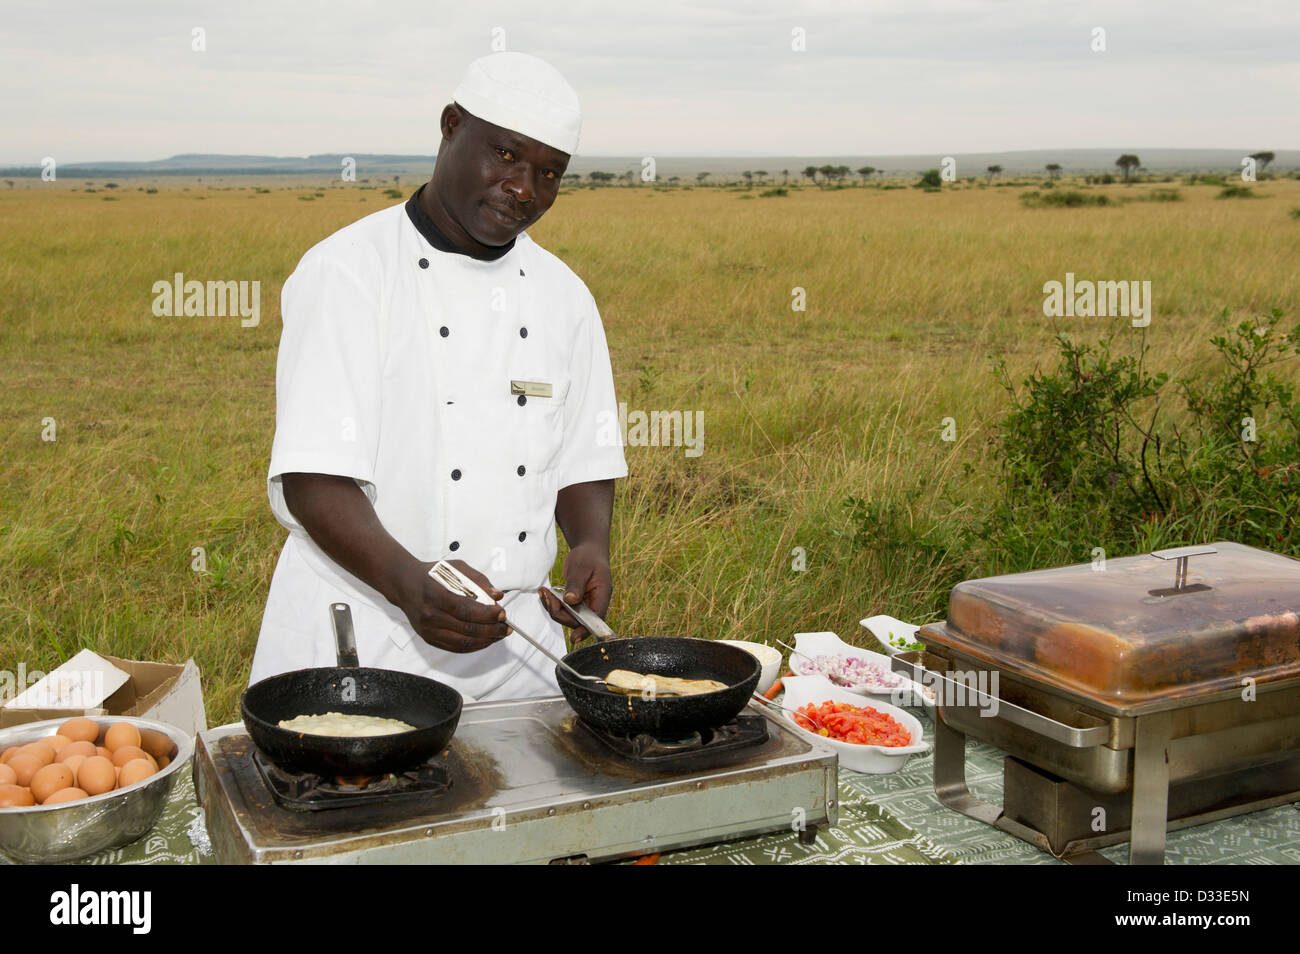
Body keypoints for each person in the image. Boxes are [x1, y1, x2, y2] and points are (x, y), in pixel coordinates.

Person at [249, 52, 627, 701]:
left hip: (519, 648)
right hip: (368, 630)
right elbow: (314, 478)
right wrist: (404, 581)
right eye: (506, 156)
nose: (524, 189)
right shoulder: (348, 273)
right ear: (451, 125)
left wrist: (589, 541)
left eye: (548, 173)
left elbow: (581, 455)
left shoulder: (565, 298)